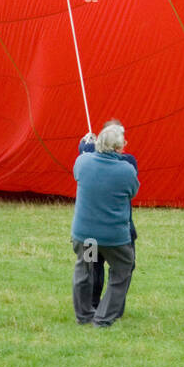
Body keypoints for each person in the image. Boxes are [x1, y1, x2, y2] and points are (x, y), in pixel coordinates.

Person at [71, 119, 139, 328]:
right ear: (120, 147)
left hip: (87, 238)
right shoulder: (126, 170)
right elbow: (132, 191)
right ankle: (103, 318)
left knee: (86, 268)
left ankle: (84, 315)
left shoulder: (82, 162)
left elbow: (80, 167)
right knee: (121, 270)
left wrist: (86, 148)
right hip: (114, 241)